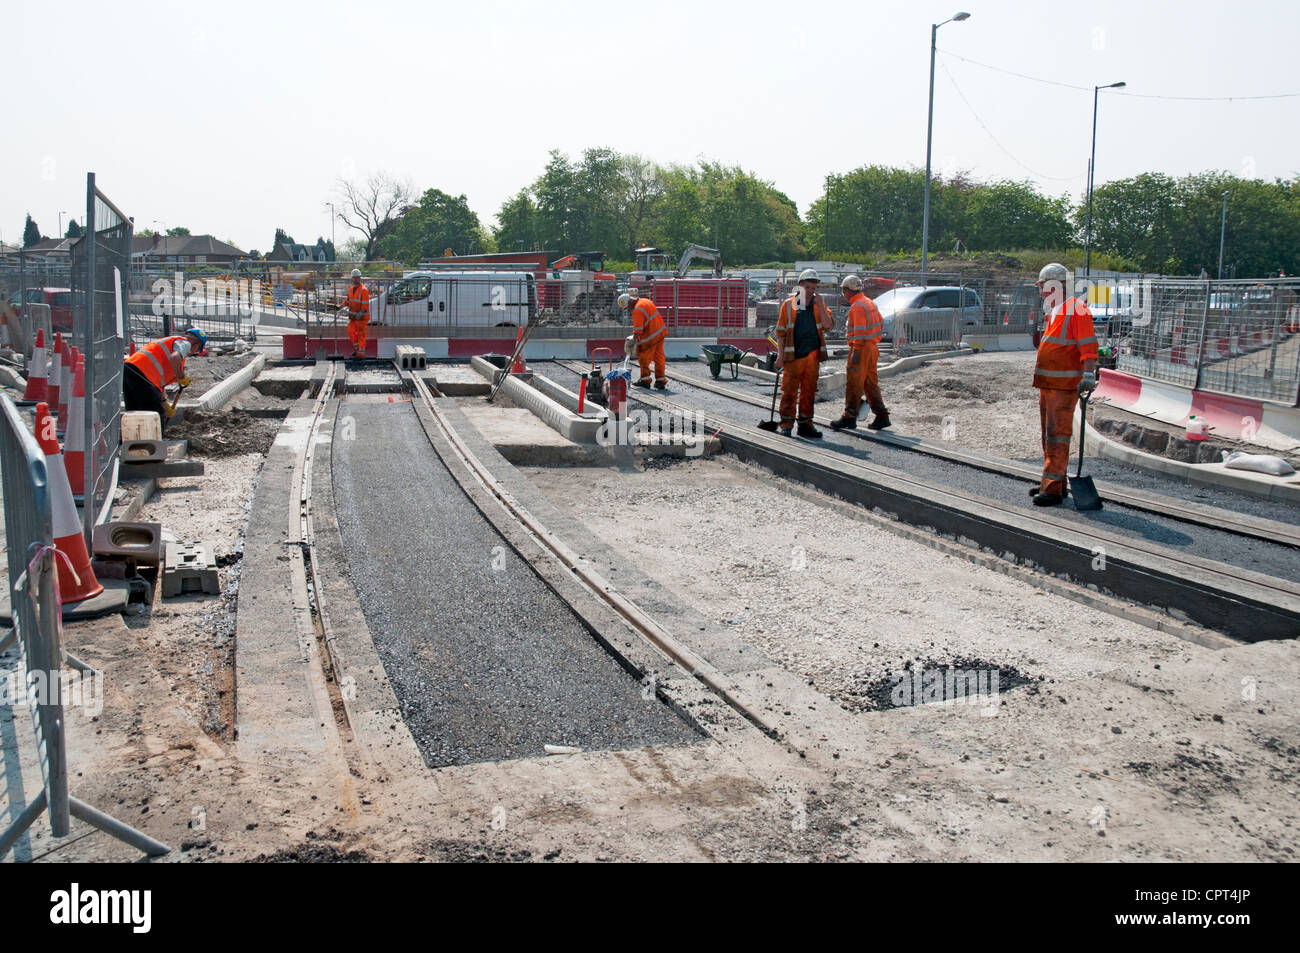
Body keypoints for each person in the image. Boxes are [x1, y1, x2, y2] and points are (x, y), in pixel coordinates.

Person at [1031, 263, 1098, 506]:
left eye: (1042, 286)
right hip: (1048, 385)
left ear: (1056, 285)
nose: (1040, 292)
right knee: (1049, 437)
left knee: (1058, 436)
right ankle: (1053, 483)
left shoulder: (1077, 310)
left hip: (1063, 386)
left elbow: (1088, 345)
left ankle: (1051, 489)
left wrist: (1088, 375)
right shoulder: (1056, 311)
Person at [774, 269, 833, 438]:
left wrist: (820, 305)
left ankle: (805, 425)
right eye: (807, 287)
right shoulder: (789, 305)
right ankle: (786, 424)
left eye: (813, 288)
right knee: (789, 391)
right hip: (793, 357)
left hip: (812, 357)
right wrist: (779, 356)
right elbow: (781, 332)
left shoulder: (818, 304)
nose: (810, 291)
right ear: (800, 285)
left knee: (808, 392)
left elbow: (828, 326)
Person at [831, 274, 891, 431]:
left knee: (854, 384)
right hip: (872, 348)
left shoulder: (857, 306)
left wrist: (856, 351)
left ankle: (849, 417)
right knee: (870, 384)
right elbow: (880, 322)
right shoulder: (869, 302)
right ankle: (882, 416)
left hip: (861, 349)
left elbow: (859, 331)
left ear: (846, 290)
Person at [123, 326, 207, 434]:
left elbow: (159, 384)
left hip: (130, 370)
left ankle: (133, 444)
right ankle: (155, 446)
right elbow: (175, 358)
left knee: (134, 413)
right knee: (156, 414)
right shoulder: (185, 343)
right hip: (144, 375)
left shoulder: (169, 345)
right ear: (197, 345)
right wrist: (181, 378)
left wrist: (165, 403)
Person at [618, 292, 667, 389]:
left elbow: (638, 330)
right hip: (660, 334)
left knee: (643, 358)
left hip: (650, 338)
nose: (628, 310)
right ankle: (661, 381)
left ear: (630, 302)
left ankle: (645, 380)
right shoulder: (645, 301)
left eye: (627, 307)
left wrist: (632, 342)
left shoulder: (637, 310)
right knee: (659, 358)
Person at [343, 268, 370, 358]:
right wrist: (340, 306)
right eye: (354, 278)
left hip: (362, 318)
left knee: (361, 335)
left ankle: (360, 354)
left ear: (360, 278)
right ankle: (357, 349)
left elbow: (365, 306)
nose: (356, 279)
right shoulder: (351, 289)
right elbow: (348, 301)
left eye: (357, 277)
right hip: (353, 317)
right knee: (350, 331)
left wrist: (360, 313)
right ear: (352, 278)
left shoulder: (364, 290)